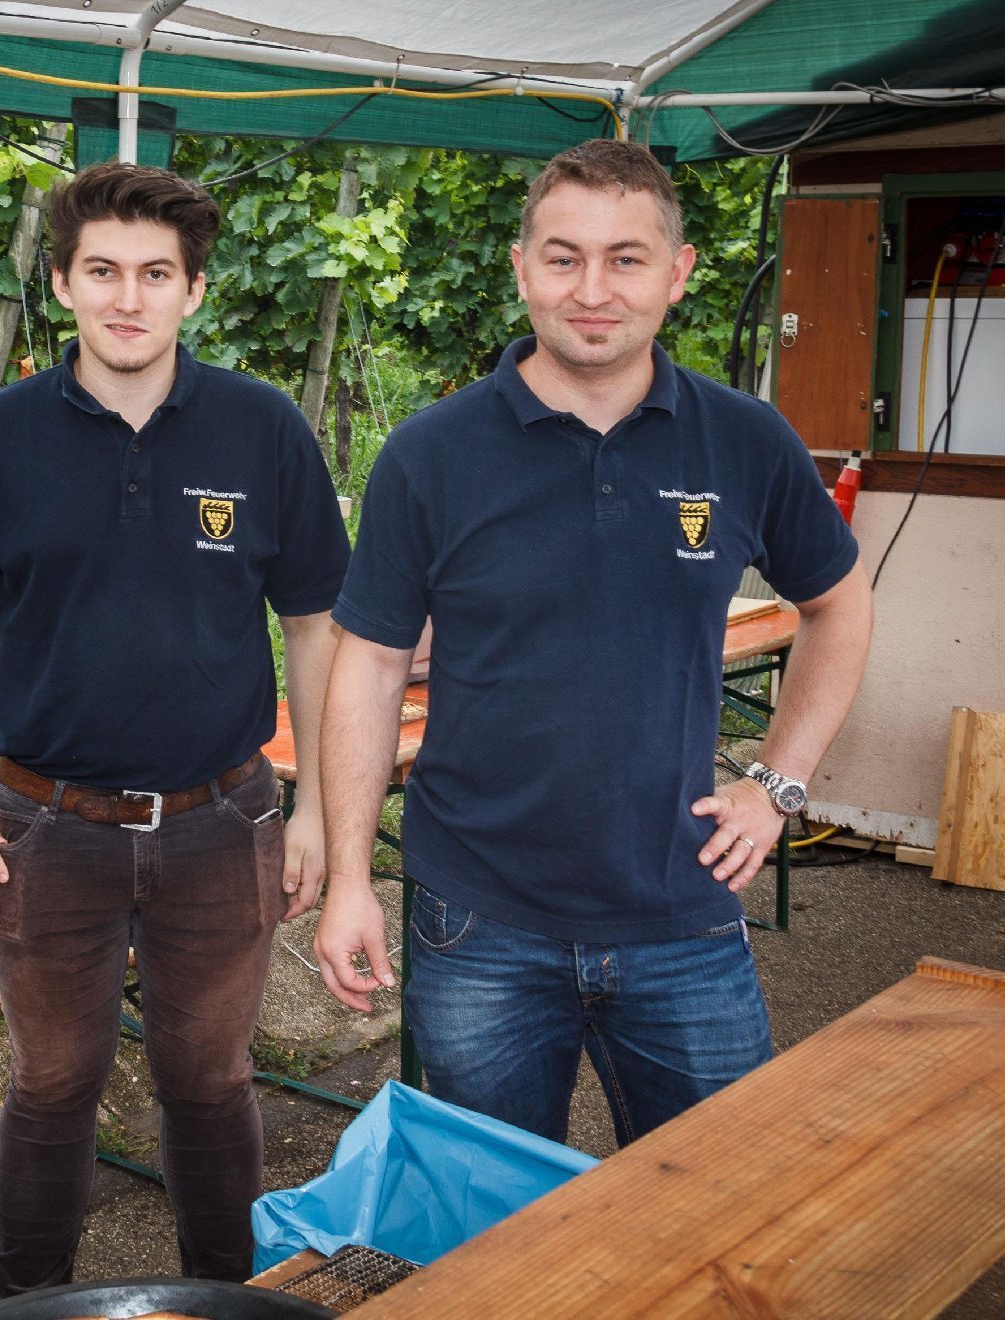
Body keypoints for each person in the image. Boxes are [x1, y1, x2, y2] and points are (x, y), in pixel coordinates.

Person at [314, 140, 873, 1147]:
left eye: (625, 257)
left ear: (678, 272)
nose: (593, 289)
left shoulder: (744, 441)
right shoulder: (431, 455)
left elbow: (841, 604)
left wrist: (779, 785)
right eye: (564, 256)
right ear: (522, 266)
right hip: (477, 919)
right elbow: (369, 661)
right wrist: (351, 877)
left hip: (683, 913)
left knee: (721, 1217)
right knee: (492, 1233)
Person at [0, 162, 350, 1295]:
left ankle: (224, 1298)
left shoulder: (263, 428)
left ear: (193, 291)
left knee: (212, 1083)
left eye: (154, 275)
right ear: (62, 283)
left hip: (221, 821)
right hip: (47, 829)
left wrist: (324, 811)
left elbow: (320, 626)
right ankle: (26, 1304)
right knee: (51, 1088)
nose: (126, 299)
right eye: (102, 273)